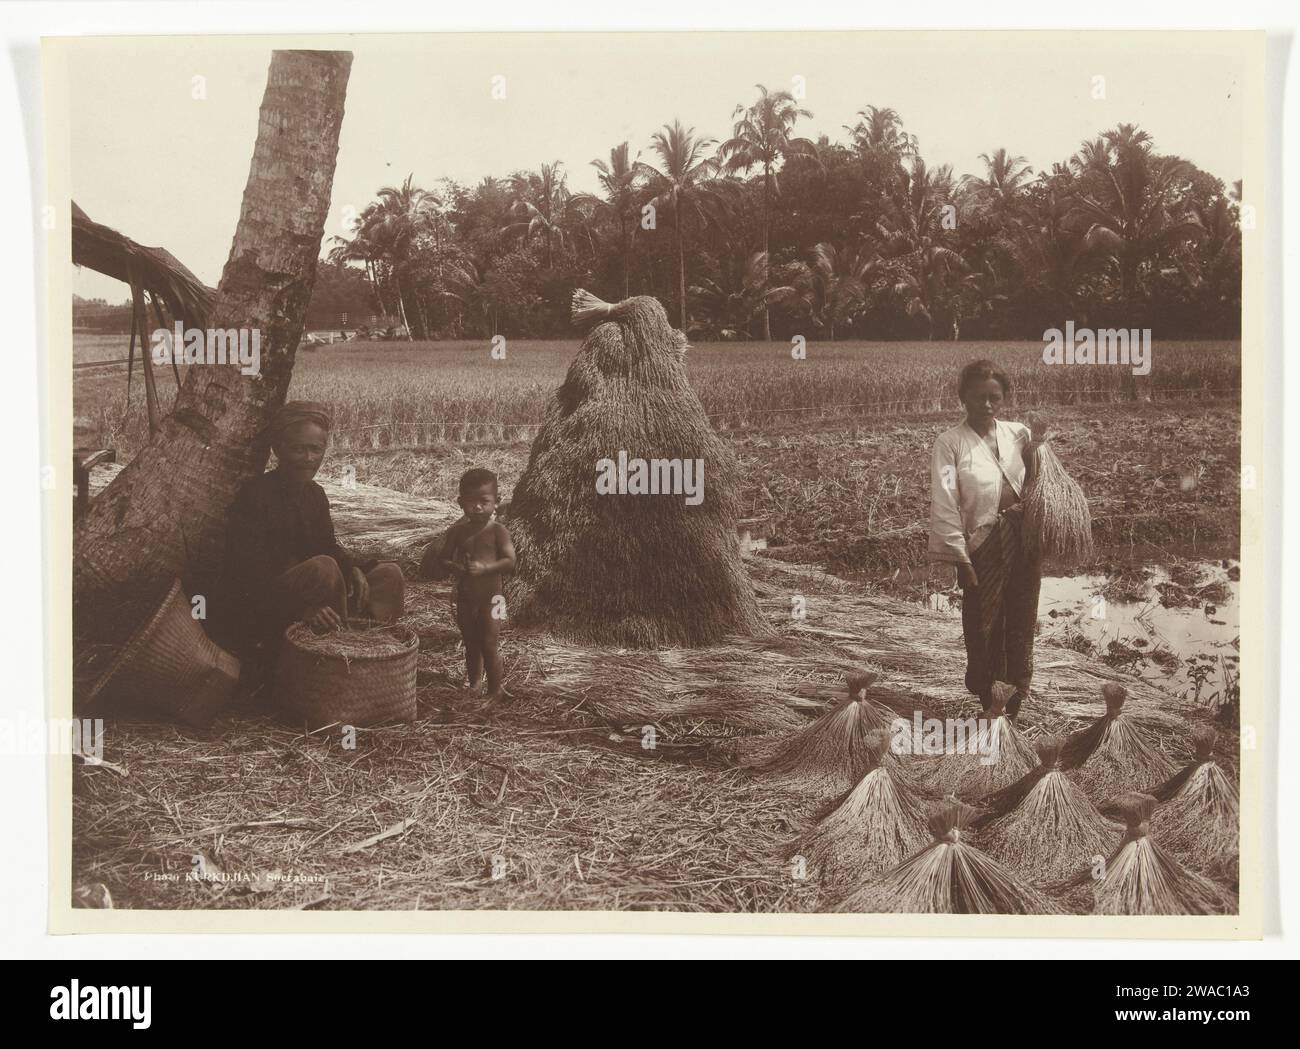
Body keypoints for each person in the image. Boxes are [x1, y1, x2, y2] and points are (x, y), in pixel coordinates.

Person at [222, 401, 405, 669]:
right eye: (298, 449)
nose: (308, 458)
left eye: (315, 449)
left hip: (321, 592)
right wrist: (304, 611)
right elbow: (247, 576)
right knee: (324, 568)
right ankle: (334, 658)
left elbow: (327, 545)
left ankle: (368, 645)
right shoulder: (256, 495)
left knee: (389, 575)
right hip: (269, 603)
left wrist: (352, 568)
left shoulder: (315, 495)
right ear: (278, 450)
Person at [928, 360, 1041, 719]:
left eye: (995, 397)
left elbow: (1041, 485)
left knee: (1021, 622)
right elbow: (945, 499)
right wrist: (960, 557)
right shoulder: (950, 444)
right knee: (984, 623)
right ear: (963, 398)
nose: (987, 405)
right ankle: (989, 700)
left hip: (1023, 542)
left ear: (1004, 398)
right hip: (982, 546)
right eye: (979, 397)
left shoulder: (1020, 435)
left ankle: (1016, 701)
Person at [420, 468, 516, 706]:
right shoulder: (457, 532)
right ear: (460, 502)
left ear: (497, 502)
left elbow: (510, 561)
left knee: (489, 643)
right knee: (471, 641)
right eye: (471, 502)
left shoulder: (498, 532)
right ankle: (474, 684)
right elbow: (443, 558)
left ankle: (496, 690)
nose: (477, 508)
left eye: (484, 501)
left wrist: (485, 569)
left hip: (492, 599)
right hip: (465, 597)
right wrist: (456, 567)